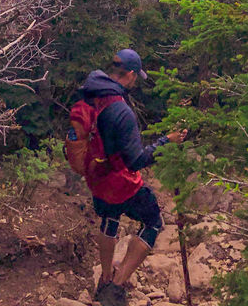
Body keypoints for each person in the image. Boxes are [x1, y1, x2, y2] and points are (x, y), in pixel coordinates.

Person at [79, 48, 187, 306]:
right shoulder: (121, 111)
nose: (136, 80)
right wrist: (166, 141)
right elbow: (136, 160)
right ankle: (114, 289)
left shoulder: (92, 93)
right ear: (128, 74)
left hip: (96, 175)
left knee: (110, 217)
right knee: (153, 222)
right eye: (135, 76)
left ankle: (104, 278)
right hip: (120, 181)